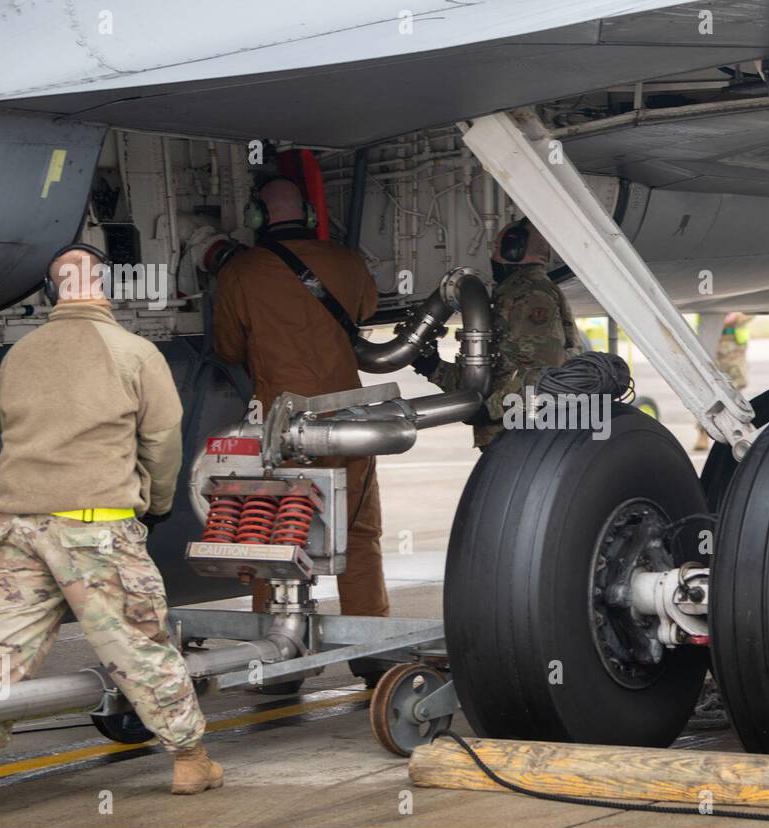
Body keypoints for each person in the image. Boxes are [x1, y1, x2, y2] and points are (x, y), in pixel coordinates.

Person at [0, 244, 218, 814]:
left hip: (18, 526)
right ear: (109, 288)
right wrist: (159, 504)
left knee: (0, 650)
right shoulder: (134, 352)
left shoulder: (19, 355)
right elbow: (164, 441)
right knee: (138, 643)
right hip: (94, 527)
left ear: (51, 294)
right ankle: (191, 760)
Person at [213, 177, 391, 621]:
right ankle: (372, 652)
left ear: (256, 216)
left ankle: (278, 656)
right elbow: (367, 311)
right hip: (349, 424)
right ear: (311, 216)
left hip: (284, 427)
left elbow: (228, 349)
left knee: (275, 530)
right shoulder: (347, 262)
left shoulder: (242, 272)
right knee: (358, 533)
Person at [413, 218, 580, 448]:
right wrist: (433, 367)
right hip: (512, 439)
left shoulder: (530, 296)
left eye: (497, 250)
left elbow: (542, 373)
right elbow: (495, 375)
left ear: (514, 250)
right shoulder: (514, 294)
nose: (493, 258)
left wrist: (489, 410)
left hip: (523, 440)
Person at [694, 311, 752, 451]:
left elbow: (750, 313)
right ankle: (703, 433)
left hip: (734, 345)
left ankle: (738, 432)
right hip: (713, 344)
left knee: (735, 390)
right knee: (707, 388)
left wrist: (738, 315)